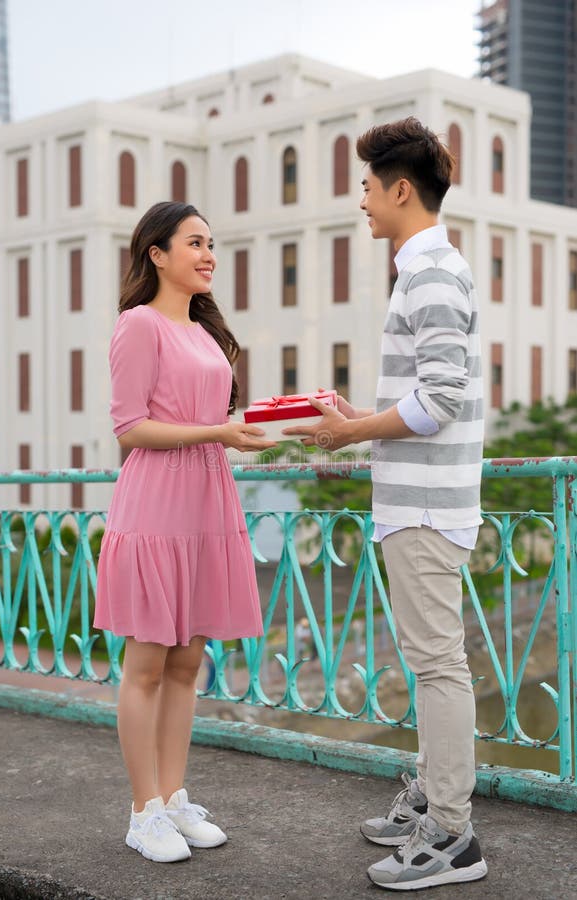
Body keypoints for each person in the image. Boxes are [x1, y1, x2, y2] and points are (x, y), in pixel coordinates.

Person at [284, 117, 487, 890]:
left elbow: (437, 400)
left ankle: (450, 834)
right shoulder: (427, 270)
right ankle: (431, 803)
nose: (361, 201)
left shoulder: (431, 273)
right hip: (423, 503)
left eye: (367, 187)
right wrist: (357, 416)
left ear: (401, 189)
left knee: (437, 666)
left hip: (427, 510)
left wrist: (349, 434)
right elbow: (427, 392)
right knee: (434, 662)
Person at [94, 201, 275, 864]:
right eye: (194, 242)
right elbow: (129, 426)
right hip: (156, 504)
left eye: (211, 244)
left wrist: (247, 430)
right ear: (157, 253)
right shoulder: (139, 325)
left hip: (205, 501)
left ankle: (172, 798)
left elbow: (215, 416)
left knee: (186, 662)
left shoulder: (204, 332)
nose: (207, 254)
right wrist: (218, 432)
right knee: (145, 665)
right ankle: (142, 811)